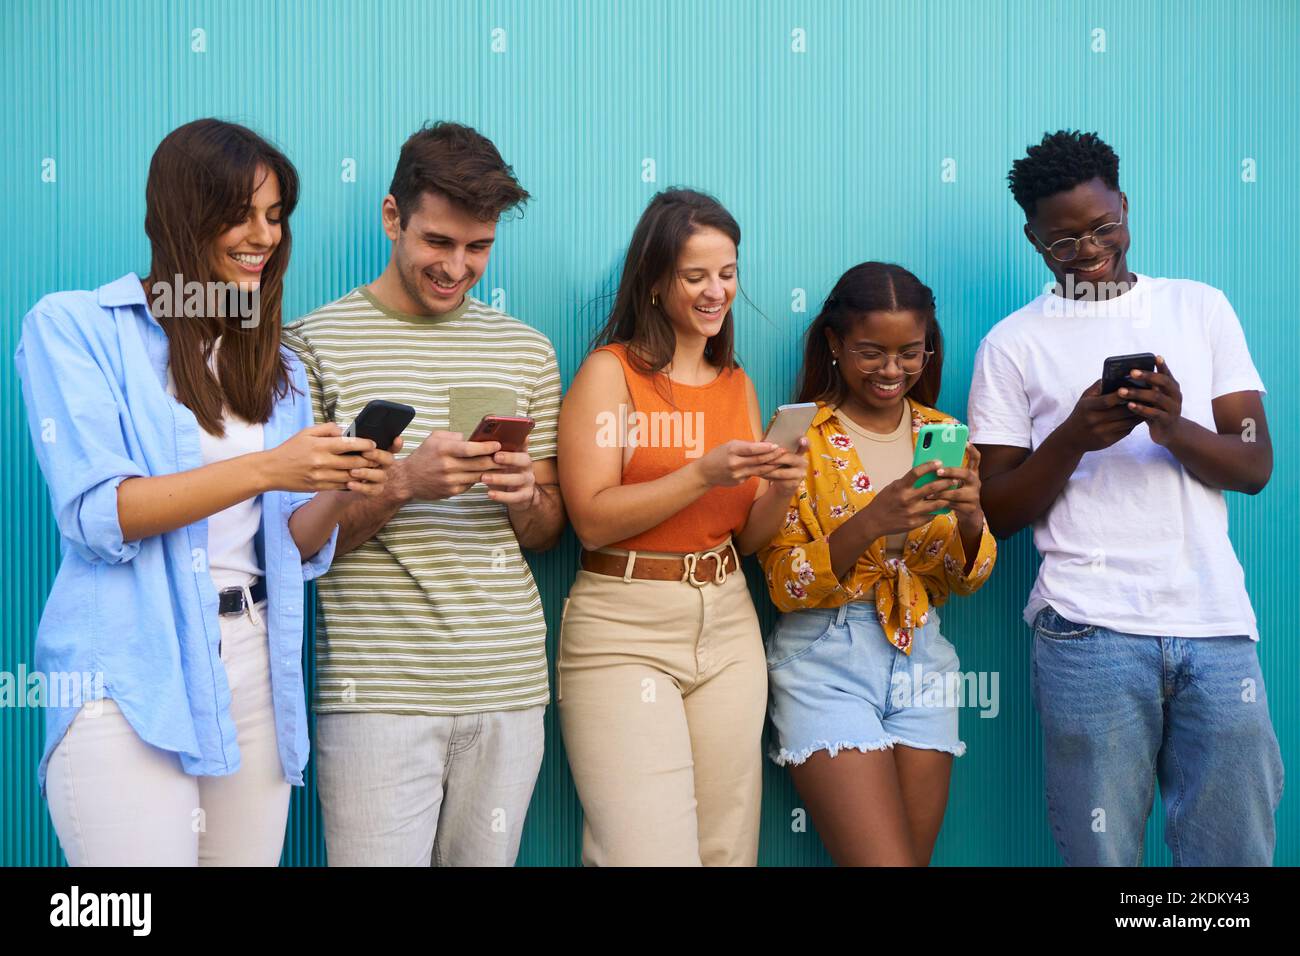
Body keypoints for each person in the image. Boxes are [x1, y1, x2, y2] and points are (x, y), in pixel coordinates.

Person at [13, 118, 396, 866]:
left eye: (277, 216)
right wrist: (269, 468)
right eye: (243, 212)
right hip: (129, 671)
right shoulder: (76, 329)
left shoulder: (273, 364)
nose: (265, 235)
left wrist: (345, 489)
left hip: (254, 668)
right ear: (185, 214)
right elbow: (101, 514)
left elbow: (285, 542)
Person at [968, 129, 1283, 865]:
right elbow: (997, 513)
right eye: (1063, 241)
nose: (1089, 249)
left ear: (1126, 205)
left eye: (1103, 226)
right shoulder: (1011, 345)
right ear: (1033, 239)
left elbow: (1254, 463)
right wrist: (1074, 435)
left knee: (1232, 857)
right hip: (1088, 630)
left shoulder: (1201, 309)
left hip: (1215, 624)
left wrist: (1173, 426)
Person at [283, 121, 565, 867]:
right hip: (375, 696)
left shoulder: (527, 350)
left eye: (479, 248)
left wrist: (523, 499)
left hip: (509, 686)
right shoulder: (310, 345)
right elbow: (297, 543)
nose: (457, 266)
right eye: (438, 242)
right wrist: (403, 484)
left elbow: (547, 529)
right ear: (391, 217)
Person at [556, 188, 807, 866]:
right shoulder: (610, 374)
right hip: (624, 628)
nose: (715, 291)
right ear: (656, 281)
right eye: (695, 276)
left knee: (727, 848)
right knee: (646, 852)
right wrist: (702, 473)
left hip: (726, 617)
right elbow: (590, 519)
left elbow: (747, 538)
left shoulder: (736, 382)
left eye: (726, 273)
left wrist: (780, 489)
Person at [759, 261, 997, 866]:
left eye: (910, 352)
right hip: (827, 656)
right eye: (872, 352)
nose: (893, 370)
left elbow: (961, 579)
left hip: (923, 654)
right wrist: (873, 519)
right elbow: (785, 583)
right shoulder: (801, 436)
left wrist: (972, 518)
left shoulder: (942, 434)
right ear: (835, 344)